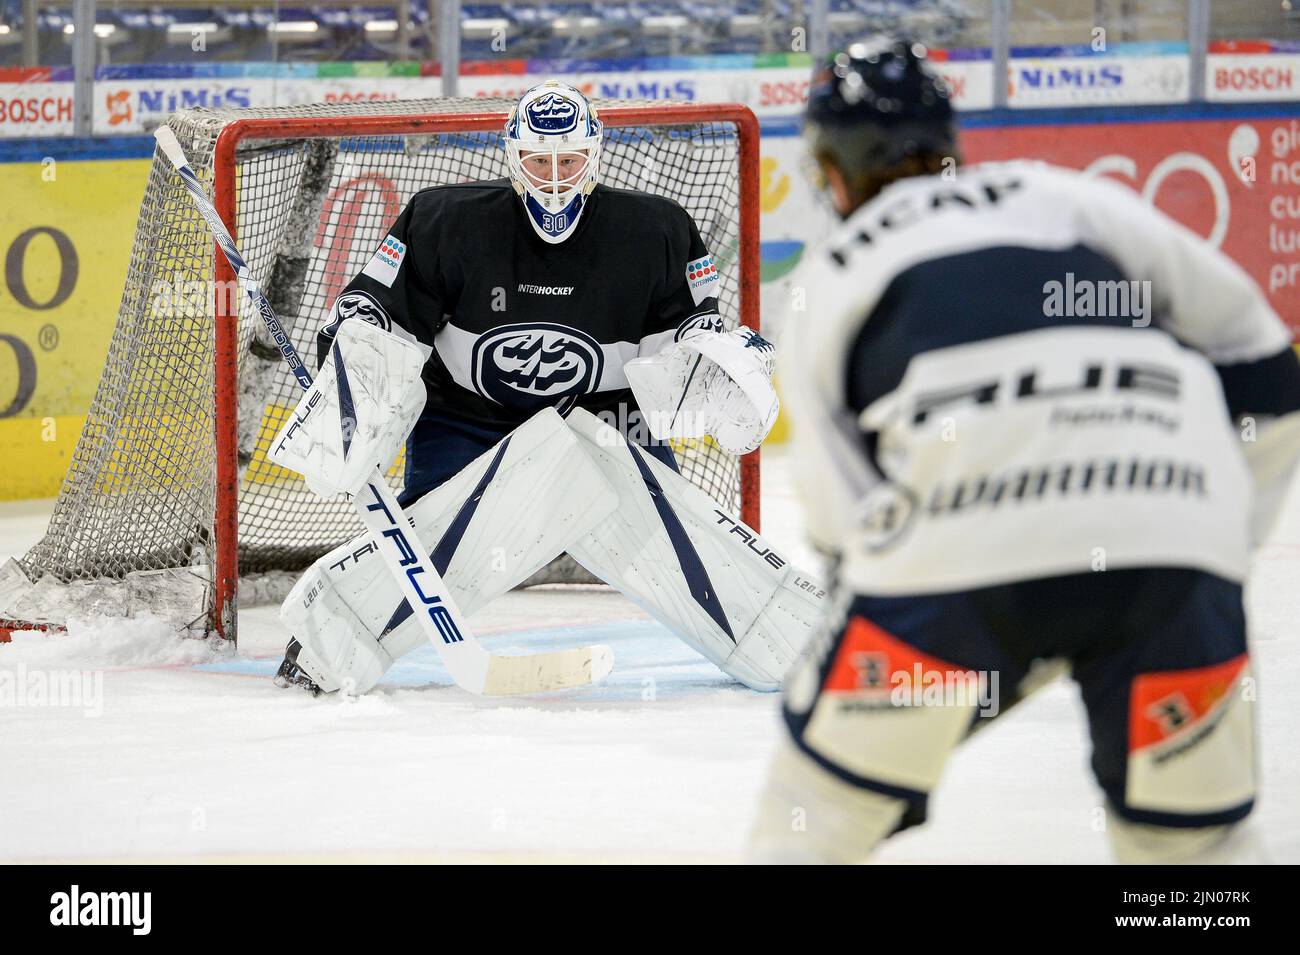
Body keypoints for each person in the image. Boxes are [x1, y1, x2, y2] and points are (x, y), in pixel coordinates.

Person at [749, 37, 1300, 863]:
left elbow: (838, 513)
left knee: (816, 807)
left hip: (950, 566)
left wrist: (952, 631)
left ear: (829, 171)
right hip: (1174, 546)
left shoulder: (836, 272)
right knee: (1197, 852)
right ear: (949, 141)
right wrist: (1220, 543)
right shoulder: (1060, 197)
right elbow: (1261, 360)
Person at [271, 81, 823, 696]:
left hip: (608, 418)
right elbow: (375, 308)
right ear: (513, 160)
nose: (554, 177)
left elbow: (688, 337)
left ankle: (799, 644)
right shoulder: (442, 221)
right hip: (469, 418)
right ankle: (325, 644)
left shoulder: (656, 232)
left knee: (673, 531)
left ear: (594, 157)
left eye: (568, 161)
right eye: (539, 160)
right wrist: (355, 349)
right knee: (441, 545)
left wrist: (715, 364)